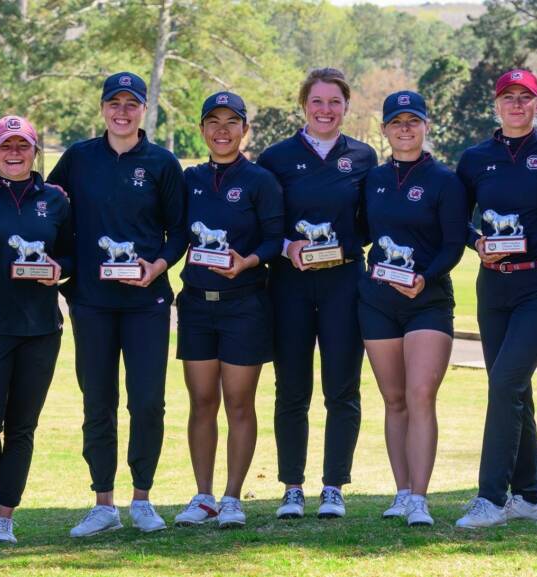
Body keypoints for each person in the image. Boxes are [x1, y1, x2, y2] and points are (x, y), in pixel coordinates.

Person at [51, 72, 187, 536]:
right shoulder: (78, 158)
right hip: (91, 303)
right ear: (103, 107)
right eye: (115, 103)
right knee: (98, 401)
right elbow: (44, 204)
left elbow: (181, 231)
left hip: (146, 301)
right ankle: (103, 502)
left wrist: (160, 265)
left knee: (147, 402)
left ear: (143, 109)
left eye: (132, 104)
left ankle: (143, 498)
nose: (122, 112)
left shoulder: (163, 163)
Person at [453, 69, 537, 529]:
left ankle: (490, 497)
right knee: (514, 387)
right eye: (509, 96)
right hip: (494, 286)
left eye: (525, 97)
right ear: (497, 104)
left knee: (504, 383)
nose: (517, 104)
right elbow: (456, 217)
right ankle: (528, 497)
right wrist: (475, 242)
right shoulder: (474, 159)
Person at [257, 68, 377, 519]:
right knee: (291, 388)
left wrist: (343, 247)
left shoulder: (364, 158)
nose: (325, 110)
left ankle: (333, 487)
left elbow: (371, 222)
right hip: (289, 282)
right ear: (303, 105)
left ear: (346, 107)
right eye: (317, 101)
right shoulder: (276, 158)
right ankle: (292, 487)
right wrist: (289, 246)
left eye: (334, 102)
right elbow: (264, 221)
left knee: (342, 388)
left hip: (344, 282)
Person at [172, 92, 283, 529]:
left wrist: (249, 261)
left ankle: (233, 497)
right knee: (202, 401)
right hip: (198, 304)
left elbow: (275, 239)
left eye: (231, 122)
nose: (222, 129)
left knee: (238, 402)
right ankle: (203, 497)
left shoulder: (260, 180)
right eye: (213, 121)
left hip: (245, 305)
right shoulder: (189, 179)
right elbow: (174, 232)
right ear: (201, 129)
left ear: (244, 130)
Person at [0, 116, 72, 544]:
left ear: (34, 152)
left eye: (22, 146)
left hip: (41, 329)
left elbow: (73, 257)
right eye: (5, 146)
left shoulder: (57, 200)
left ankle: (6, 515)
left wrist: (60, 270)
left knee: (22, 426)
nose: (13, 153)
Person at [360, 91, 467, 526]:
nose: (405, 129)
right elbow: (360, 235)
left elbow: (453, 243)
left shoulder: (445, 180)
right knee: (394, 398)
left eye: (413, 121)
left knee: (422, 394)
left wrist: (426, 276)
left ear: (426, 127)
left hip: (428, 300)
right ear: (384, 130)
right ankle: (401, 491)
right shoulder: (373, 179)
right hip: (379, 302)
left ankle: (420, 497)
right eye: (396, 122)